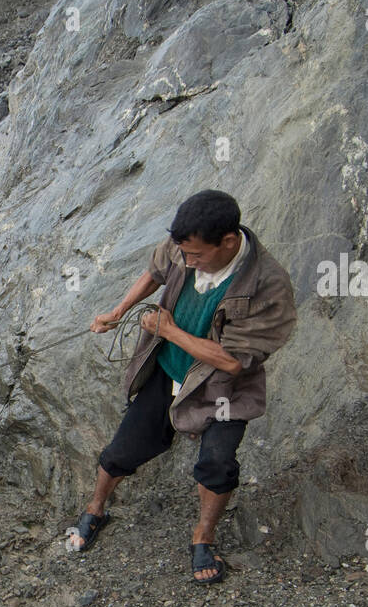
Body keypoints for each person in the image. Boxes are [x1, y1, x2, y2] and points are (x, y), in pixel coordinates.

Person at [69, 190, 296, 585]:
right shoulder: (186, 242)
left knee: (217, 463)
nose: (187, 263)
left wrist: (169, 330)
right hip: (168, 370)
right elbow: (155, 271)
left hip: (223, 389)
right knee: (122, 448)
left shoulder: (269, 286)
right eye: (184, 253)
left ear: (228, 241)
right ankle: (96, 508)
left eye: (197, 257)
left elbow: (232, 361)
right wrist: (117, 311)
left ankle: (202, 538)